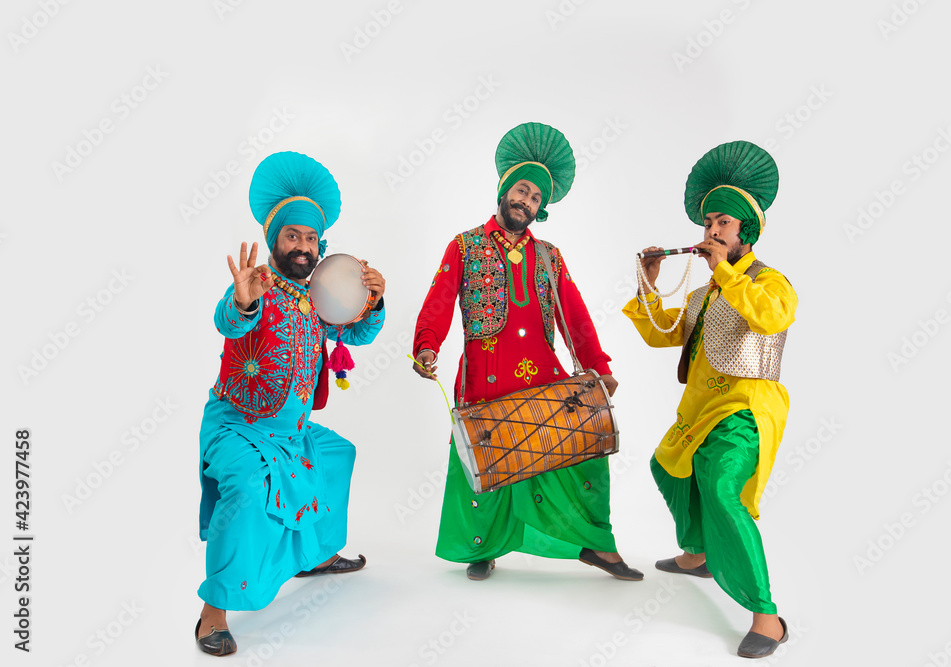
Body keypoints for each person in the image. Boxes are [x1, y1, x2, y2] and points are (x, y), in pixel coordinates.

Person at [412, 122, 642, 582]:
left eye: (537, 198)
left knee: (584, 449)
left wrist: (597, 367)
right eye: (522, 190)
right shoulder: (464, 246)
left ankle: (596, 545)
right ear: (504, 190)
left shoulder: (551, 256)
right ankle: (484, 546)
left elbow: (574, 317)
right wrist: (426, 345)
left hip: (543, 375)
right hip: (484, 374)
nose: (527, 202)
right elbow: (439, 298)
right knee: (484, 454)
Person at [195, 151, 386, 656]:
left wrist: (375, 299)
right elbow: (229, 320)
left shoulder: (318, 294)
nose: (302, 246)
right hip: (238, 426)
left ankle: (315, 556)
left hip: (291, 431)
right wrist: (241, 300)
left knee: (336, 453)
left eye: (310, 238)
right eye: (292, 236)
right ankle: (214, 612)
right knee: (250, 489)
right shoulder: (255, 286)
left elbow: (359, 331)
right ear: (275, 240)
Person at [623, 141, 797, 658]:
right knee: (665, 467)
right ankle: (698, 553)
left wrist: (726, 270)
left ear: (746, 229)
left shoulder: (771, 283)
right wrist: (648, 285)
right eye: (707, 225)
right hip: (698, 413)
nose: (712, 233)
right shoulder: (702, 295)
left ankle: (767, 616)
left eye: (722, 223)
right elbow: (662, 335)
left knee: (723, 489)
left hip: (745, 413)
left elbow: (771, 318)